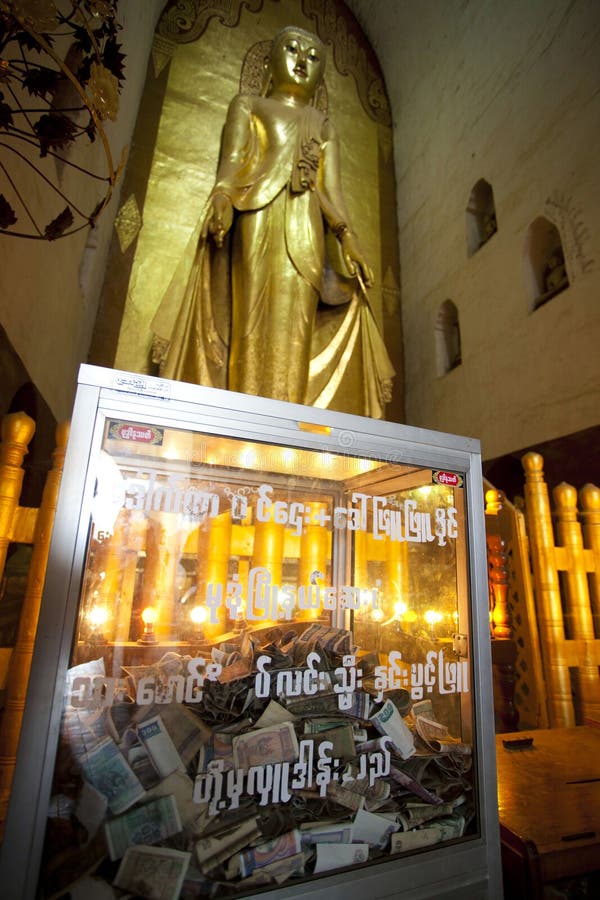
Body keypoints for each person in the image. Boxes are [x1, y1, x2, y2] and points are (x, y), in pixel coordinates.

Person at [152, 26, 393, 414]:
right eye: (292, 50)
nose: (302, 62)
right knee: (249, 322)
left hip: (307, 230)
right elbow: (232, 161)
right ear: (269, 63)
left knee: (296, 327)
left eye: (314, 58)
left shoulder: (324, 127)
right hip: (257, 217)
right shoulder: (248, 106)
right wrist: (222, 198)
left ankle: (289, 428)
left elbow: (331, 193)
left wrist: (349, 238)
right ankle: (243, 422)